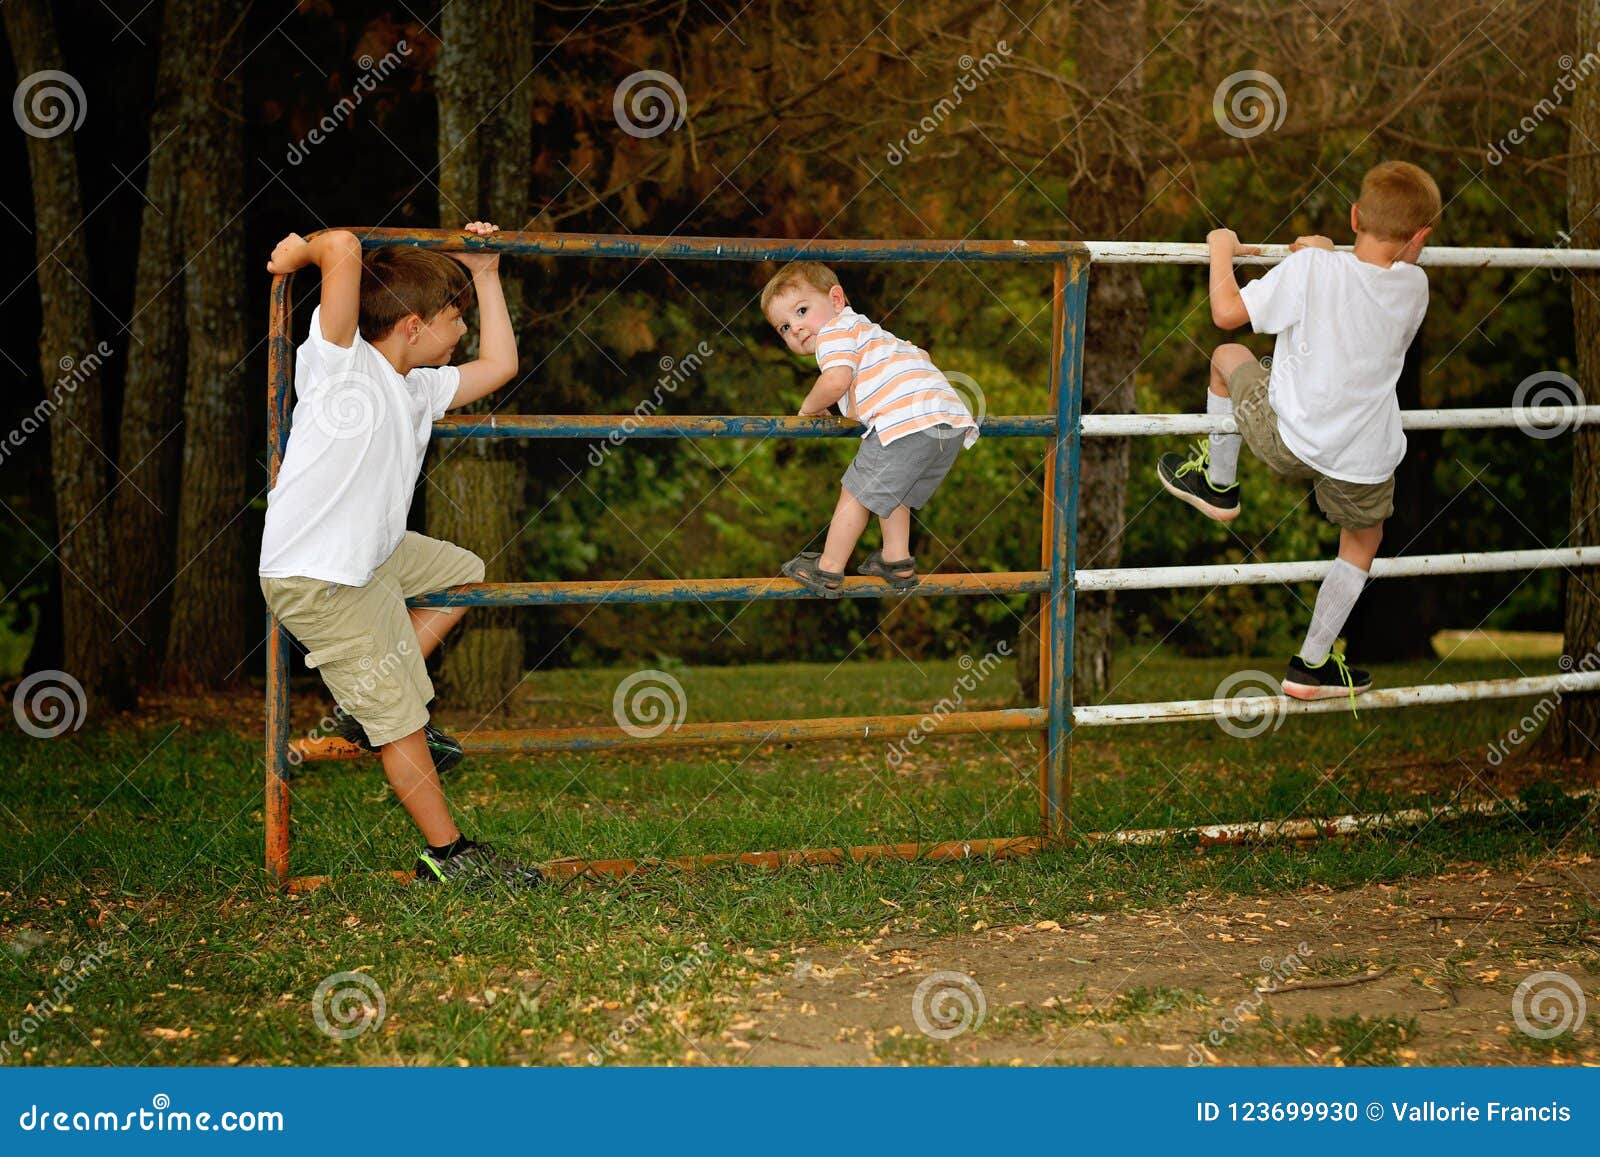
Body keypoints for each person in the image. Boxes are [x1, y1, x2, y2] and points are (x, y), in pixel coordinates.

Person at [260, 222, 541, 888]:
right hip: (320, 575)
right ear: (411, 326)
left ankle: (364, 707)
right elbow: (344, 246)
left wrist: (485, 272)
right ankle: (449, 854)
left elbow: (502, 366)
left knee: (460, 573)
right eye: (453, 320)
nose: (462, 332)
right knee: (406, 721)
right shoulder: (341, 364)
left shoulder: (417, 389)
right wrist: (297, 252)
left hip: (374, 557)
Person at [1156, 161, 1441, 701]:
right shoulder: (1415, 287)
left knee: (1228, 355)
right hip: (1362, 455)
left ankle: (1219, 485)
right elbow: (1366, 281)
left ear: (1355, 215)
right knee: (1362, 542)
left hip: (1288, 440)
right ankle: (1310, 667)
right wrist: (1322, 256)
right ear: (1420, 237)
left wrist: (1222, 248)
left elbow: (1226, 311)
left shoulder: (1312, 269)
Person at [760, 261, 977, 596]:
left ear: (836, 300)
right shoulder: (868, 331)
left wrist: (809, 408)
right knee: (894, 487)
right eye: (784, 327)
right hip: (949, 421)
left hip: (905, 421)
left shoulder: (833, 333)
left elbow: (835, 380)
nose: (797, 328)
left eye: (802, 311)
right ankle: (896, 560)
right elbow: (921, 354)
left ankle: (827, 569)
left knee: (857, 491)